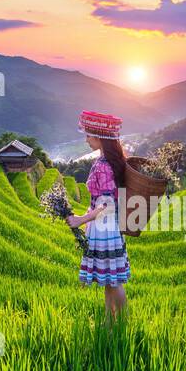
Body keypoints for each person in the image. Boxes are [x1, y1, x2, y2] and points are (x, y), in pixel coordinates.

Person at [67, 110, 129, 318]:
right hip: (108, 226)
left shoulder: (103, 166)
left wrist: (79, 220)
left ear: (100, 137)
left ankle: (121, 323)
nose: (86, 140)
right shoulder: (109, 161)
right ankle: (111, 324)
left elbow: (107, 205)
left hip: (105, 228)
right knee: (109, 281)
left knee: (113, 281)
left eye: (89, 136)